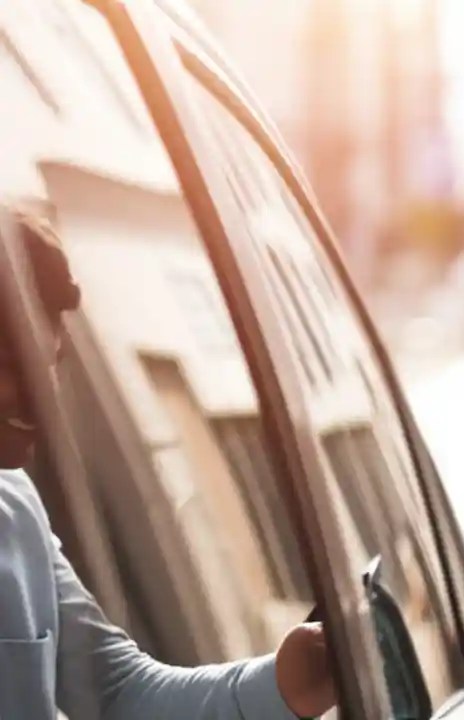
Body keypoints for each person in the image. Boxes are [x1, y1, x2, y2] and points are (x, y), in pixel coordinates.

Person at [0, 208, 337, 719]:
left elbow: (114, 692)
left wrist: (285, 683)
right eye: (12, 367)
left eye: (49, 364)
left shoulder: (16, 507)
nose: (43, 397)